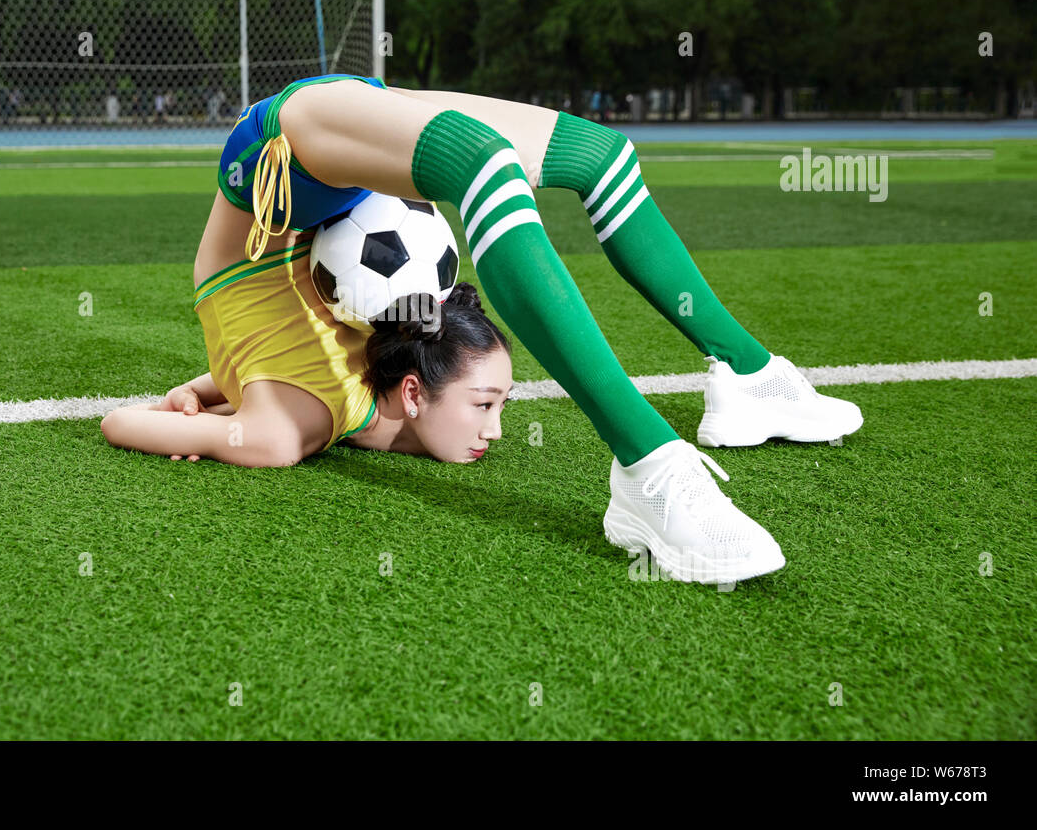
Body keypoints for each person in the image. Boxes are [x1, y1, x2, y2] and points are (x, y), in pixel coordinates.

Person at [103, 73, 864, 584]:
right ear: (412, 390)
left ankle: (747, 373)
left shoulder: (327, 403)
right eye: (486, 403)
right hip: (298, 163)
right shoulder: (321, 413)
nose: (495, 429)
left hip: (296, 162)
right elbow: (160, 406)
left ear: (411, 390)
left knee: (603, 155)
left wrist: (199, 400)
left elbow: (197, 388)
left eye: (490, 404)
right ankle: (649, 467)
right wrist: (210, 401)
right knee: (487, 165)